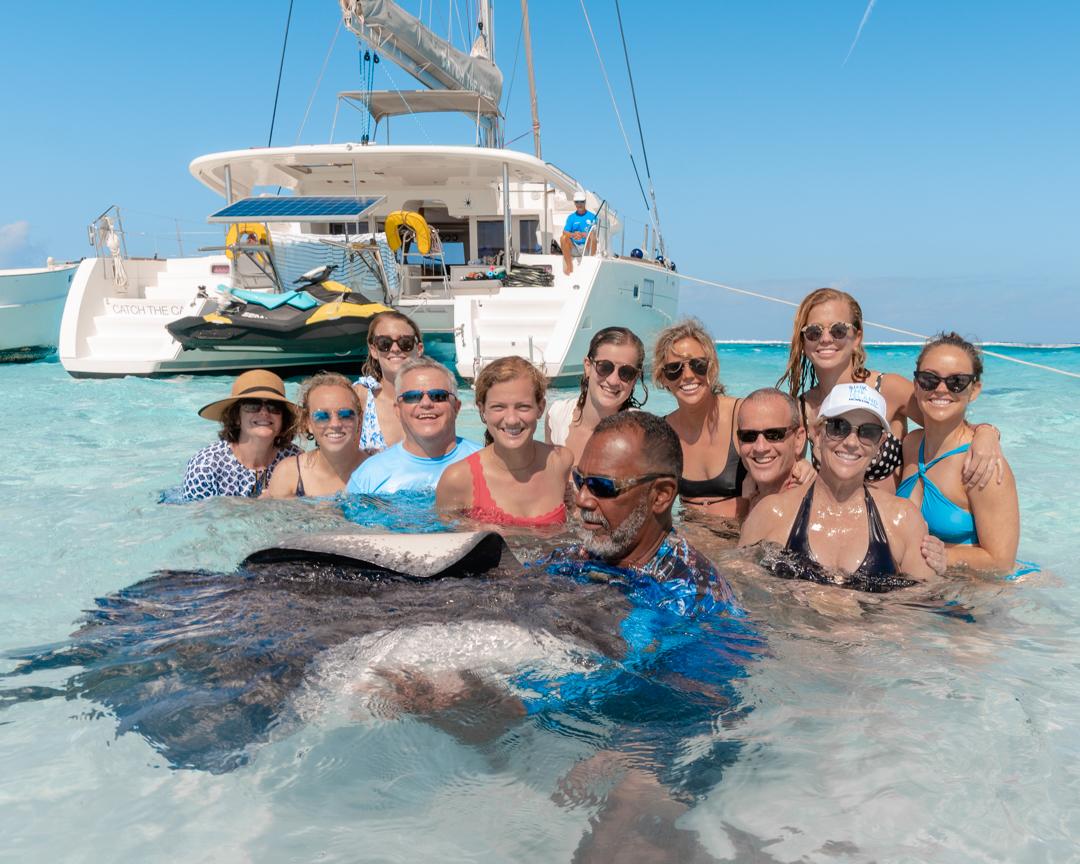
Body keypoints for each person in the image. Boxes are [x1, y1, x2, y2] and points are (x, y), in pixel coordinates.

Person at [778, 287, 1003, 487]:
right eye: (814, 332)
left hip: (893, 528)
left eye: (837, 330)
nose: (825, 339)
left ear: (857, 338)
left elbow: (950, 429)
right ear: (804, 341)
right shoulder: (802, 407)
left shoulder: (888, 389)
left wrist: (987, 434)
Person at [740, 382, 935, 590]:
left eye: (868, 432)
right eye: (838, 427)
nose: (851, 442)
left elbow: (921, 609)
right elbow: (741, 596)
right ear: (816, 433)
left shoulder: (903, 521)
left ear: (880, 444)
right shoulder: (772, 513)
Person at [897, 333, 1026, 575]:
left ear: (974, 390)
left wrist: (944, 555)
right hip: (928, 591)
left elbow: (1002, 562)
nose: (941, 389)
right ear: (916, 385)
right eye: (929, 379)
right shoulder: (912, 444)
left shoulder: (983, 464)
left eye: (956, 381)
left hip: (972, 596)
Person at [437, 356, 572, 527]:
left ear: (541, 407)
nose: (511, 420)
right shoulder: (458, 479)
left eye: (523, 406)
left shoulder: (561, 462)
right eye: (498, 407)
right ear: (482, 410)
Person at [346, 357, 481, 495]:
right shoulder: (368, 477)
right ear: (397, 410)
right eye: (412, 397)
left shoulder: (488, 464)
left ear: (456, 407)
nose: (426, 404)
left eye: (438, 396)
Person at [653, 319, 747, 518]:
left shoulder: (743, 415)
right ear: (663, 377)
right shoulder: (662, 433)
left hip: (741, 542)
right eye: (674, 369)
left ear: (711, 368)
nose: (687, 376)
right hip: (692, 542)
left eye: (697, 365)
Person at [181, 370, 301, 501]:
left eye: (274, 406)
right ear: (236, 417)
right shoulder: (206, 466)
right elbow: (196, 518)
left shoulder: (295, 460)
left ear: (283, 418)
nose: (264, 412)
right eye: (252, 405)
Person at [544, 326, 646, 463]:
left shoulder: (642, 433)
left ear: (635, 379)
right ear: (587, 366)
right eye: (604, 367)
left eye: (626, 372)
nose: (613, 380)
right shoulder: (556, 416)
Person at [262, 372, 367, 499]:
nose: (335, 424)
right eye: (322, 416)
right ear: (308, 423)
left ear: (359, 420)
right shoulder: (290, 474)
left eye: (345, 415)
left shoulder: (378, 470)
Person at [353, 310, 424, 451]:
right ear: (373, 350)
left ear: (419, 349)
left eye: (405, 342)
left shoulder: (436, 397)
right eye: (384, 343)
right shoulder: (360, 396)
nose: (395, 349)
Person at [736, 388, 810, 512]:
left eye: (774, 434)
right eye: (749, 435)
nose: (760, 447)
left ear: (798, 439)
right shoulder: (743, 505)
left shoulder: (810, 509)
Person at [560, 189, 597, 276]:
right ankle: (569, 266)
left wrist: (584, 235)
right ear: (574, 203)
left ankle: (591, 262)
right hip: (574, 247)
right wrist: (573, 235)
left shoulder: (593, 216)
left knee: (592, 236)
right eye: (577, 202)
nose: (579, 204)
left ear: (585, 202)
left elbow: (595, 234)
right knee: (563, 237)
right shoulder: (571, 217)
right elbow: (565, 232)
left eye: (581, 202)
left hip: (587, 248)